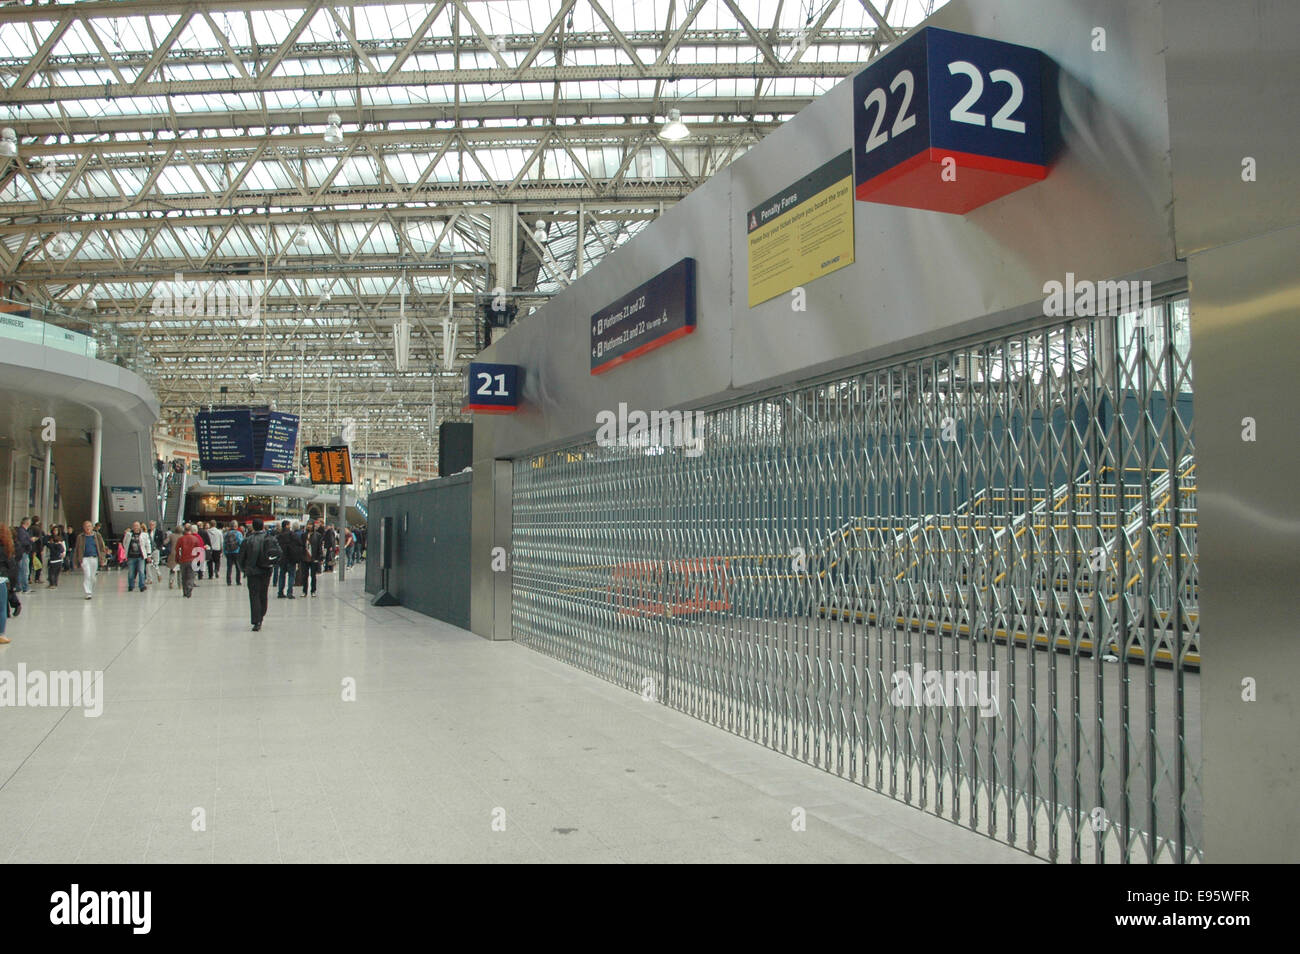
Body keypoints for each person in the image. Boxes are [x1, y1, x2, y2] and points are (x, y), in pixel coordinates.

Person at [237, 518, 278, 632]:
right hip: (266, 570)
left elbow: (240, 558)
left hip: (252, 571)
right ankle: (262, 613)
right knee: (263, 593)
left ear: (253, 527)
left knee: (254, 595)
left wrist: (244, 569)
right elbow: (277, 553)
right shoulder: (269, 539)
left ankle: (257, 620)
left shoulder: (248, 540)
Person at [69, 520, 108, 600]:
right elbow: (77, 549)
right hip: (84, 558)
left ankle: (90, 589)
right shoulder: (80, 537)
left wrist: (102, 558)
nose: (88, 528)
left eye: (89, 526)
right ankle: (88, 593)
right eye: (86, 526)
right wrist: (75, 561)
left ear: (92, 527)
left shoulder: (97, 536)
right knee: (87, 574)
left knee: (93, 577)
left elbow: (102, 548)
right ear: (83, 527)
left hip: (94, 558)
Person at [121, 521, 152, 592]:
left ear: (139, 527)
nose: (136, 527)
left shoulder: (144, 535)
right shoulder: (128, 534)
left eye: (137, 526)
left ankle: (142, 585)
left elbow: (148, 545)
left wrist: (148, 555)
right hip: (131, 556)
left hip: (140, 556)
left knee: (141, 571)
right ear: (133, 526)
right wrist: (126, 551)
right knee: (131, 572)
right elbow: (124, 542)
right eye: (134, 526)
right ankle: (131, 585)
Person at [0, 525, 19, 644]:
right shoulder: (6, 549)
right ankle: (1, 634)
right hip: (1, 579)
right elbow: (12, 567)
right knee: (1, 608)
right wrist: (13, 585)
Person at [276, 520, 304, 599]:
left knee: (282, 575)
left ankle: (280, 592)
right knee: (291, 575)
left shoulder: (279, 535)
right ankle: (289, 592)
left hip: (282, 558)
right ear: (287, 525)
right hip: (291, 558)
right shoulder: (292, 534)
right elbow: (300, 544)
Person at [178, 524, 205, 598]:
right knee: (191, 576)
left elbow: (177, 549)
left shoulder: (181, 539)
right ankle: (189, 587)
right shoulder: (195, 539)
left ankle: (185, 591)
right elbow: (199, 549)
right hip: (192, 560)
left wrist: (177, 559)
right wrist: (198, 558)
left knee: (184, 576)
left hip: (183, 560)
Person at [301, 520, 323, 597]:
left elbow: (319, 547)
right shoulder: (304, 535)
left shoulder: (318, 535)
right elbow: (301, 546)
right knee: (304, 575)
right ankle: (304, 591)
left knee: (313, 576)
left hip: (314, 558)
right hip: (304, 558)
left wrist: (320, 558)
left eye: (310, 524)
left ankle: (313, 590)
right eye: (308, 524)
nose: (309, 526)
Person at [224, 520, 245, 586]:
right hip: (237, 552)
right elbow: (241, 543)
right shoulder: (238, 533)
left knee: (229, 567)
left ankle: (228, 581)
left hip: (228, 552)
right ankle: (238, 581)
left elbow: (224, 544)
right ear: (236, 526)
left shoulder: (226, 533)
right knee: (238, 567)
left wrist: (225, 552)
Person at [14, 517, 32, 593]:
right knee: (24, 570)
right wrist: (30, 541)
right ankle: (25, 587)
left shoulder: (22, 531)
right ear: (27, 523)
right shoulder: (22, 531)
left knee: (20, 570)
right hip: (23, 552)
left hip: (21, 552)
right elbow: (23, 541)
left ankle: (19, 587)